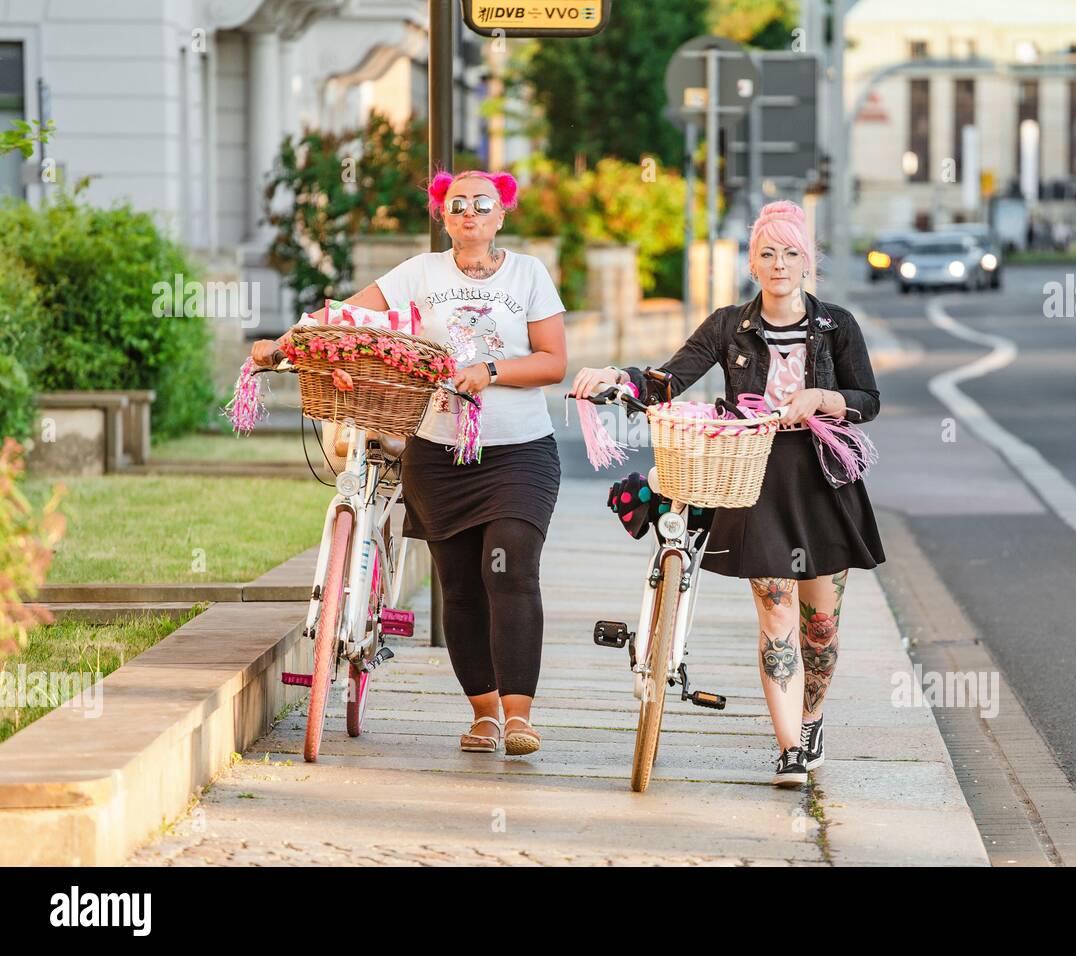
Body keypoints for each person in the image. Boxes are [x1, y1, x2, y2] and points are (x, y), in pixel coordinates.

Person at [570, 201, 886, 787]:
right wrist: (618, 378)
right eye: (768, 253)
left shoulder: (836, 325)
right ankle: (790, 746)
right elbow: (668, 379)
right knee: (776, 613)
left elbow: (867, 398)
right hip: (753, 479)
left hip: (821, 484)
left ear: (808, 261)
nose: (779, 264)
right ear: (752, 261)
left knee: (821, 626)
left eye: (791, 253)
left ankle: (811, 720)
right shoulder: (728, 325)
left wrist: (824, 400)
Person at [252, 170, 567, 756]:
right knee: (460, 586)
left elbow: (553, 363)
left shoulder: (529, 273)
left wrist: (490, 372)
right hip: (439, 453)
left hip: (519, 450)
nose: (468, 214)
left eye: (481, 205)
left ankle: (519, 716)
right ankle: (484, 714)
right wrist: (286, 341)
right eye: (456, 206)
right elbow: (346, 318)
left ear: (502, 214)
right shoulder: (420, 273)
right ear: (442, 217)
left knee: (511, 566)